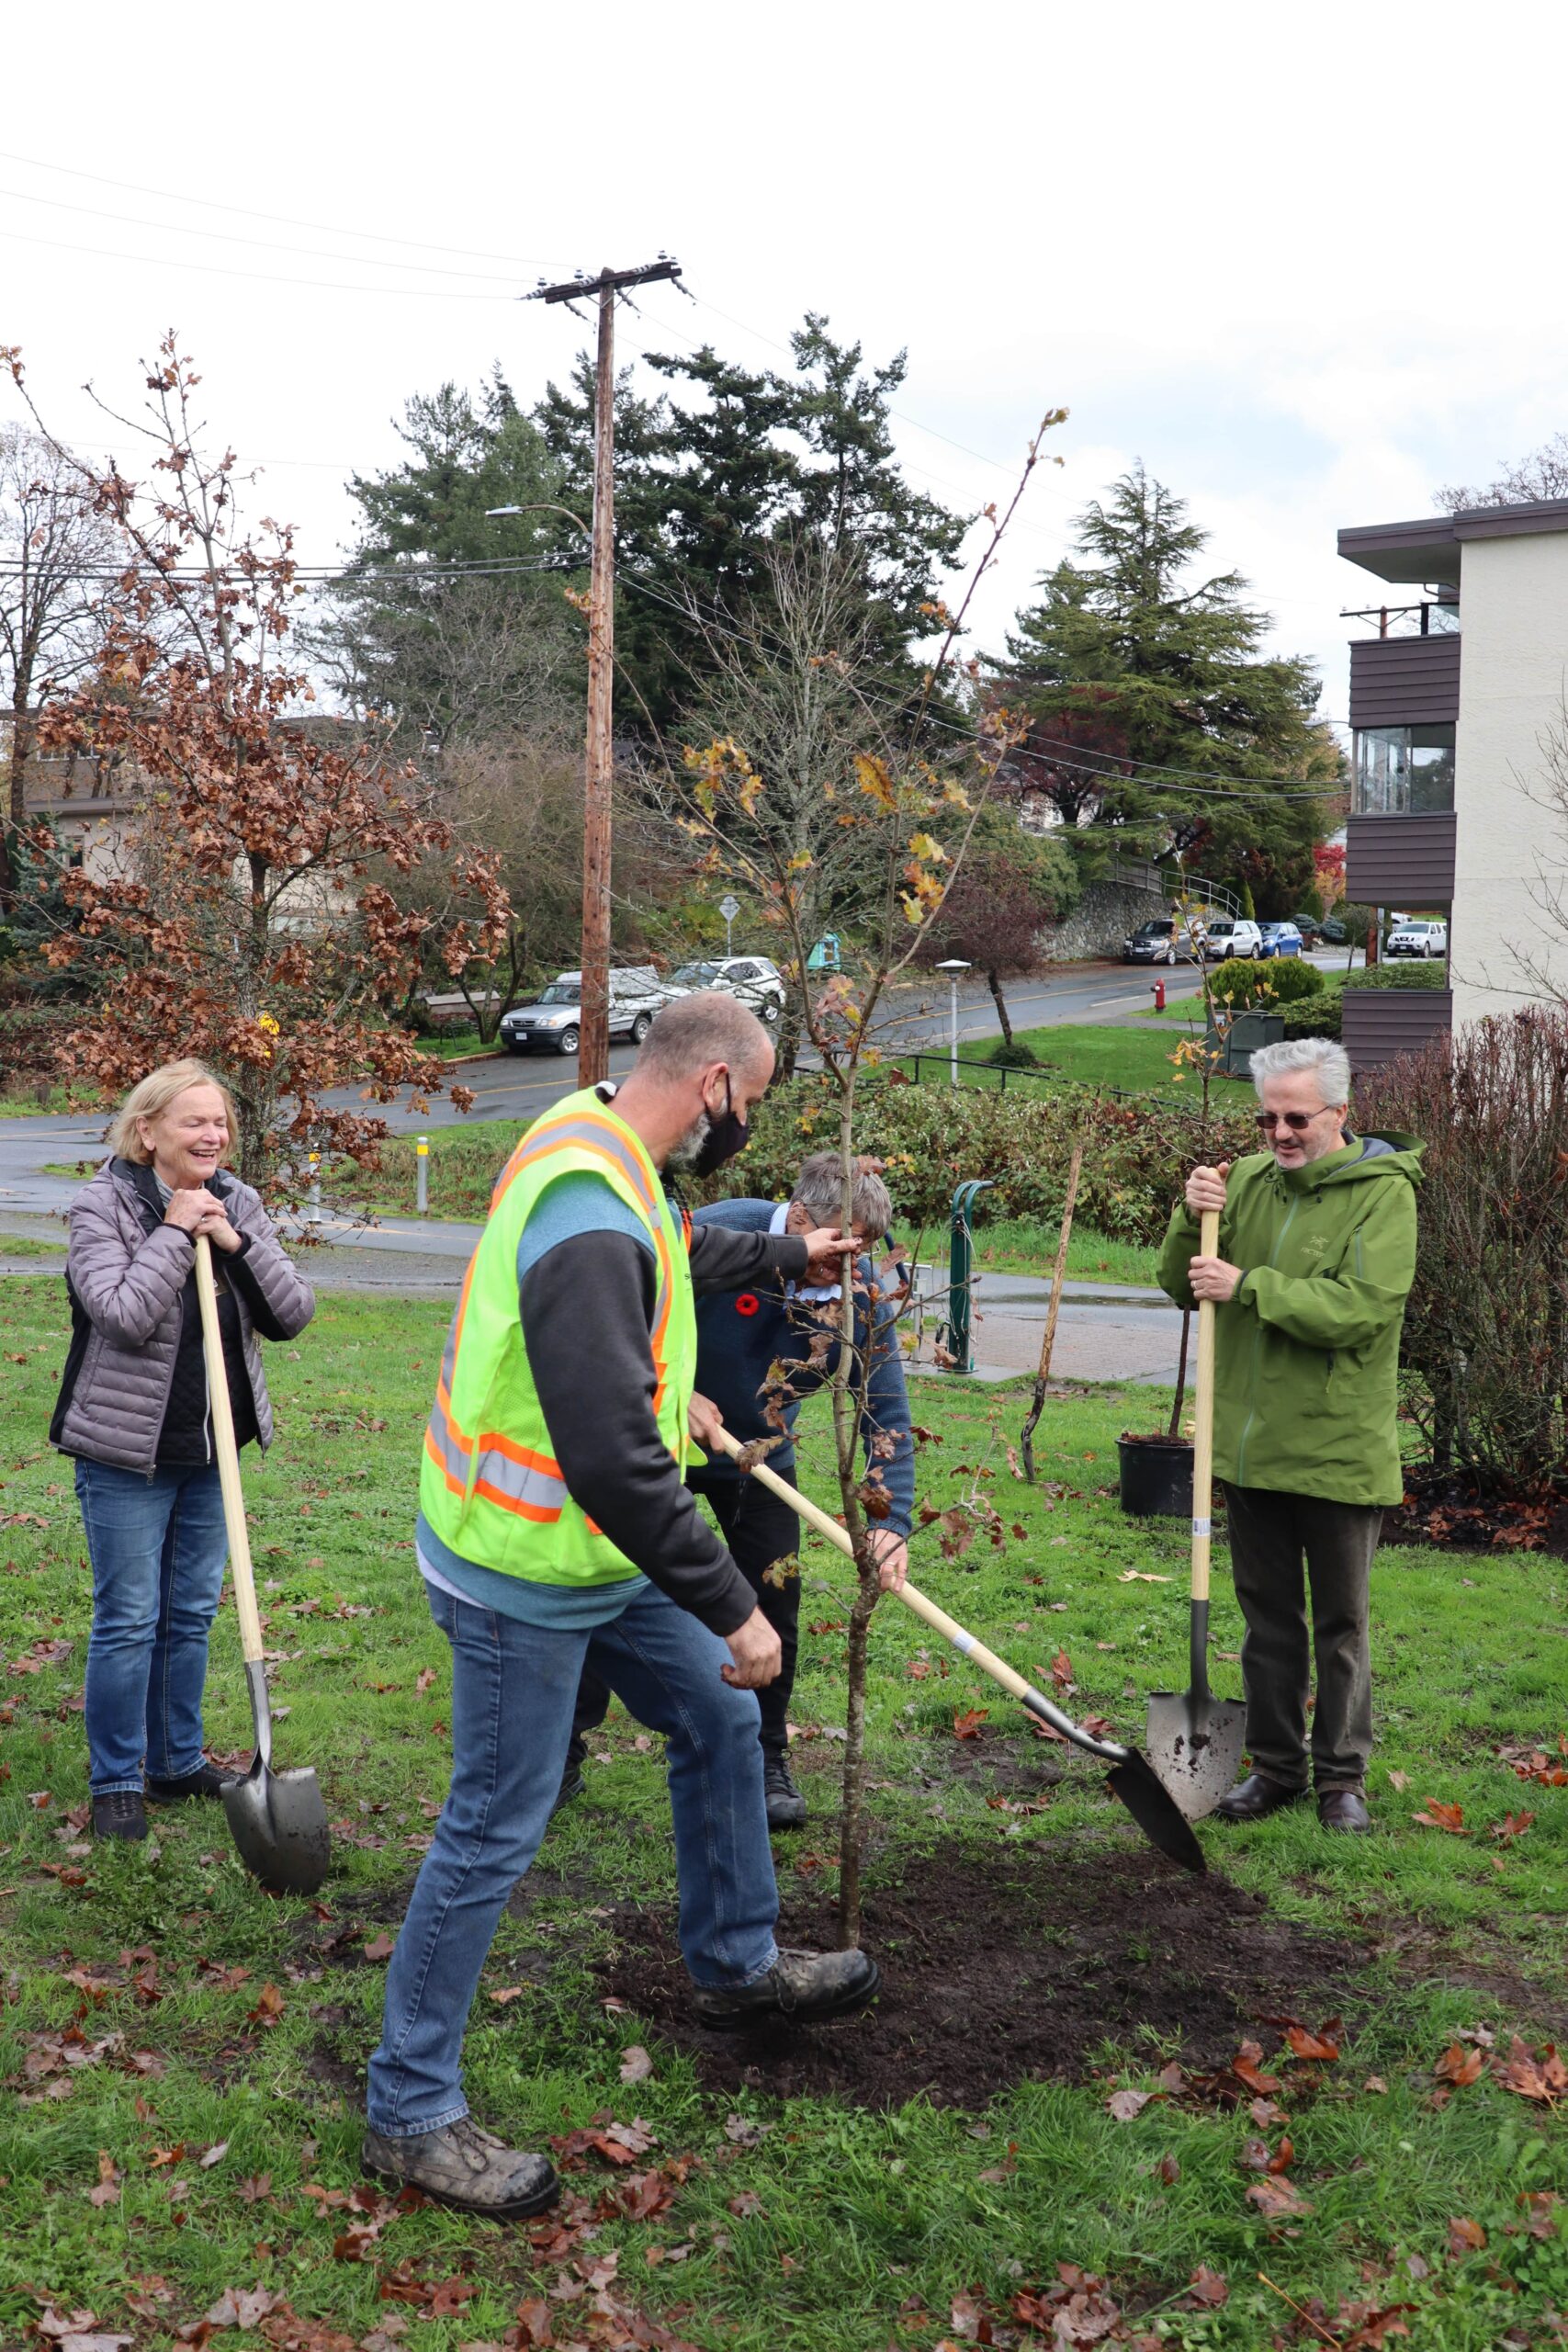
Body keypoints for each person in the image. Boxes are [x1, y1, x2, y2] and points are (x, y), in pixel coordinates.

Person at [364, 994, 895, 2221]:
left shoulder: (604, 1136)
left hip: (593, 1557)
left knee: (714, 1724)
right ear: (711, 1084)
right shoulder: (588, 1210)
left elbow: (675, 1242)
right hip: (518, 1565)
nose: (743, 1126)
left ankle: (734, 1965)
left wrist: (780, 1254)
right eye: (747, 1105)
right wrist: (734, 1608)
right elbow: (609, 1456)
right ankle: (408, 2108)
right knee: (496, 1823)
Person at [561, 1151, 913, 1829]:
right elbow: (614, 1321)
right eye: (838, 1244)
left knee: (772, 1599)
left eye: (863, 1249)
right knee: (605, 1585)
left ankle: (765, 1755)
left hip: (758, 1455)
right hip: (652, 1439)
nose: (849, 1263)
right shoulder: (714, 1236)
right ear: (802, 1219)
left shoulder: (861, 1291)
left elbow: (887, 1413)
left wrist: (890, 1515)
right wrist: (671, 1389)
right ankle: (562, 1751)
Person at [1157, 1036, 1422, 1836]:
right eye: (1268, 1117)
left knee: (1341, 1625)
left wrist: (1251, 1287)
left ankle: (1341, 1780)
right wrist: (1190, 1215)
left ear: (1339, 1114)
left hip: (1338, 1446)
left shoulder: (1383, 1195)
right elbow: (1180, 1283)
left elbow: (1362, 1309)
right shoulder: (1242, 1182)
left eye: (1296, 1118)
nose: (1279, 1133)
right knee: (1268, 1621)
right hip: (1250, 1446)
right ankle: (1274, 1768)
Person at [49, 1059, 315, 1843]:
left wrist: (231, 1238)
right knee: (131, 1618)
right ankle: (118, 1781)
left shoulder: (240, 1201)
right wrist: (173, 1230)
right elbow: (123, 1315)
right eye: (194, 1121)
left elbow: (292, 1313)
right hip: (126, 1451)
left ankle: (173, 1762)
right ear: (148, 1131)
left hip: (213, 1451)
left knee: (191, 1614)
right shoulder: (102, 1206)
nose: (212, 1135)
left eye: (221, 1122)